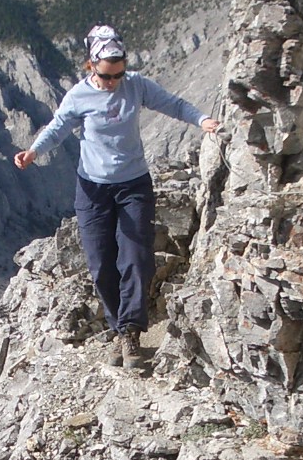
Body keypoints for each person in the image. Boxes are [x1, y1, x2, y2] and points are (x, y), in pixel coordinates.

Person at [14, 25, 220, 368]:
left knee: (136, 258)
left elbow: (172, 104)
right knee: (100, 265)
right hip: (92, 190)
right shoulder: (79, 96)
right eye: (107, 76)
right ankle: (119, 328)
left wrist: (202, 120)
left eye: (118, 74)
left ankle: (130, 333)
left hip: (133, 184)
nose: (113, 82)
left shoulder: (136, 85)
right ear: (91, 66)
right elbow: (58, 127)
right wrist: (33, 151)